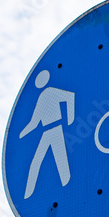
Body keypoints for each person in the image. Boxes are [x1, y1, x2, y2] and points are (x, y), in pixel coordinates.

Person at [19, 70, 75, 199]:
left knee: (61, 160)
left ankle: (69, 191)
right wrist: (21, 135)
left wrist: (70, 119)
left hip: (56, 129)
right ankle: (28, 194)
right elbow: (34, 123)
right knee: (37, 161)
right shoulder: (42, 97)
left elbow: (69, 97)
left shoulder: (50, 92)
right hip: (47, 132)